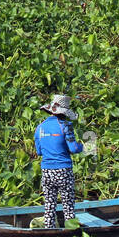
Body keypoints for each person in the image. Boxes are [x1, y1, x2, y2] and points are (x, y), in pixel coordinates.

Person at [34, 94, 83, 229]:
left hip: (47, 171)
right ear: (64, 112)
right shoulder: (65, 125)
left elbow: (39, 152)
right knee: (68, 205)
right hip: (63, 170)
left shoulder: (40, 127)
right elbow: (73, 148)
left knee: (49, 206)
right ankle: (71, 233)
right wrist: (84, 146)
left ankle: (49, 232)